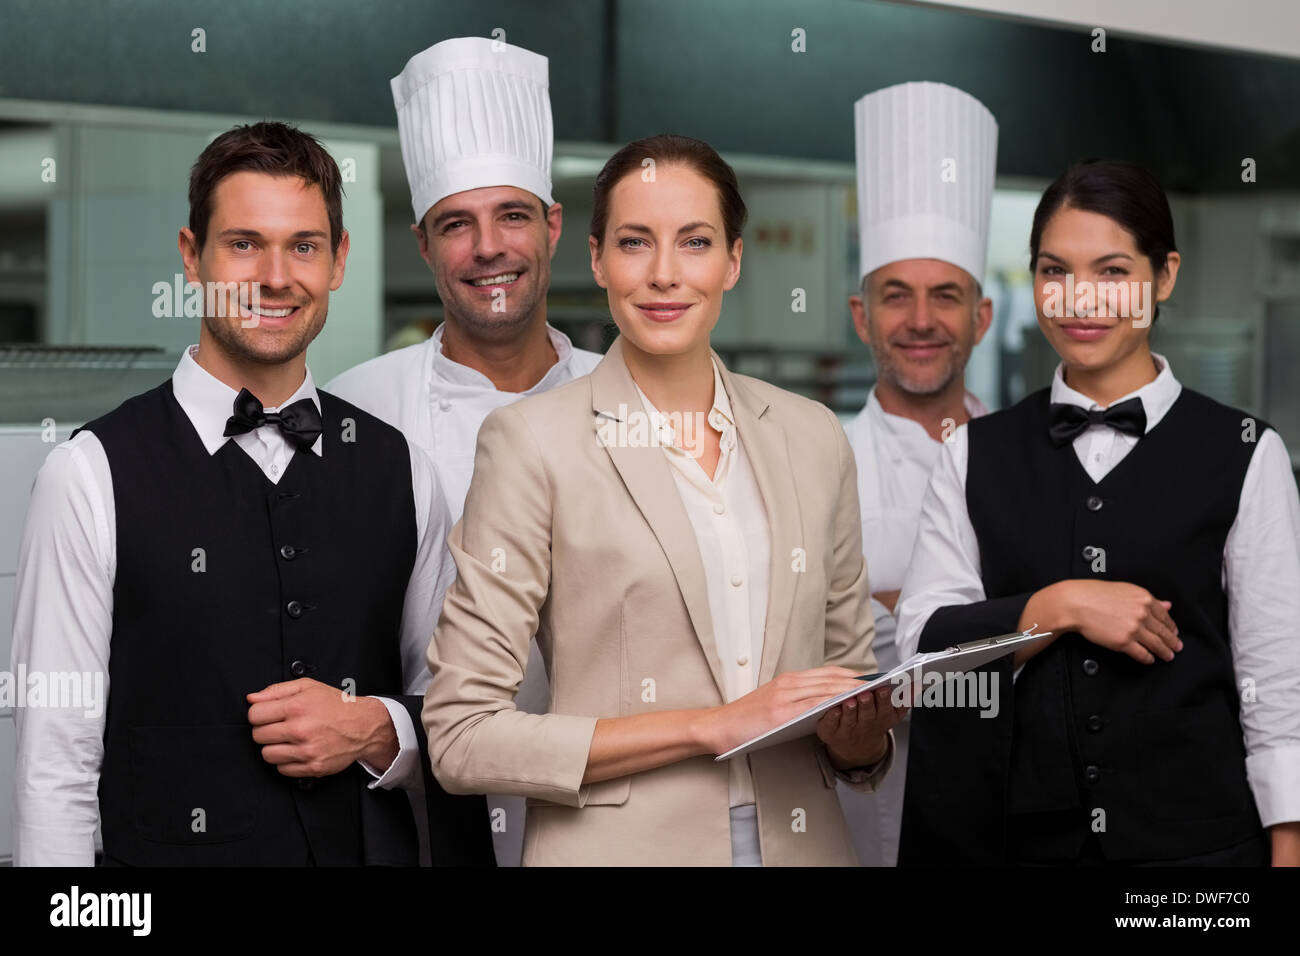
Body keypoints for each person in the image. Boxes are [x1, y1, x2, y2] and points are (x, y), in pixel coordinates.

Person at [10, 121, 492, 866]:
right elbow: (55, 761)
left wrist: (375, 728)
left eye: (303, 245)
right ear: (190, 256)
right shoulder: (89, 474)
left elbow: (458, 713)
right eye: (243, 244)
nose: (275, 276)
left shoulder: (402, 470)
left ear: (338, 261)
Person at [422, 133, 905, 867]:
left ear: (733, 261)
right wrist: (709, 726)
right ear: (596, 259)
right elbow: (461, 736)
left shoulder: (812, 438)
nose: (664, 274)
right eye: (635, 242)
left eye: (696, 242)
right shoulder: (532, 443)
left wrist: (862, 737)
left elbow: (847, 692)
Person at [894, 159, 1300, 866]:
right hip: (1024, 845)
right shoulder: (972, 454)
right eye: (1055, 271)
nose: (1081, 299)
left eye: (1112, 272)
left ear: (1163, 277)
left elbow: (1279, 688)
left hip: (1197, 855)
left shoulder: (1246, 452)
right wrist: (1061, 605)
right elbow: (923, 655)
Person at [325, 37, 601, 867]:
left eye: (512, 215)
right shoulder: (352, 410)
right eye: (457, 225)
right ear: (423, 242)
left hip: (602, 803)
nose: (488, 249)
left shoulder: (621, 401)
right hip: (409, 814)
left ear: (552, 226)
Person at [839, 81, 996, 867]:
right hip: (863, 808)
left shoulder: (1037, 459)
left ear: (982, 316)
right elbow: (804, 645)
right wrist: (991, 620)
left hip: (1013, 803)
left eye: (947, 296)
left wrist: (898, 612)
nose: (922, 321)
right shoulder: (812, 460)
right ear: (862, 314)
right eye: (895, 296)